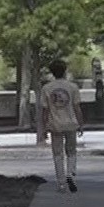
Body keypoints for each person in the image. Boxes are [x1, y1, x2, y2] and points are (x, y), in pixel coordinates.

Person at [36, 59, 82, 194]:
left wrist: (43, 128)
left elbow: (45, 110)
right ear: (65, 71)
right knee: (72, 152)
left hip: (55, 124)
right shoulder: (72, 87)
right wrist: (81, 123)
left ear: (52, 72)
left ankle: (61, 183)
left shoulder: (47, 88)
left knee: (57, 154)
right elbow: (77, 107)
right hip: (71, 123)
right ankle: (71, 173)